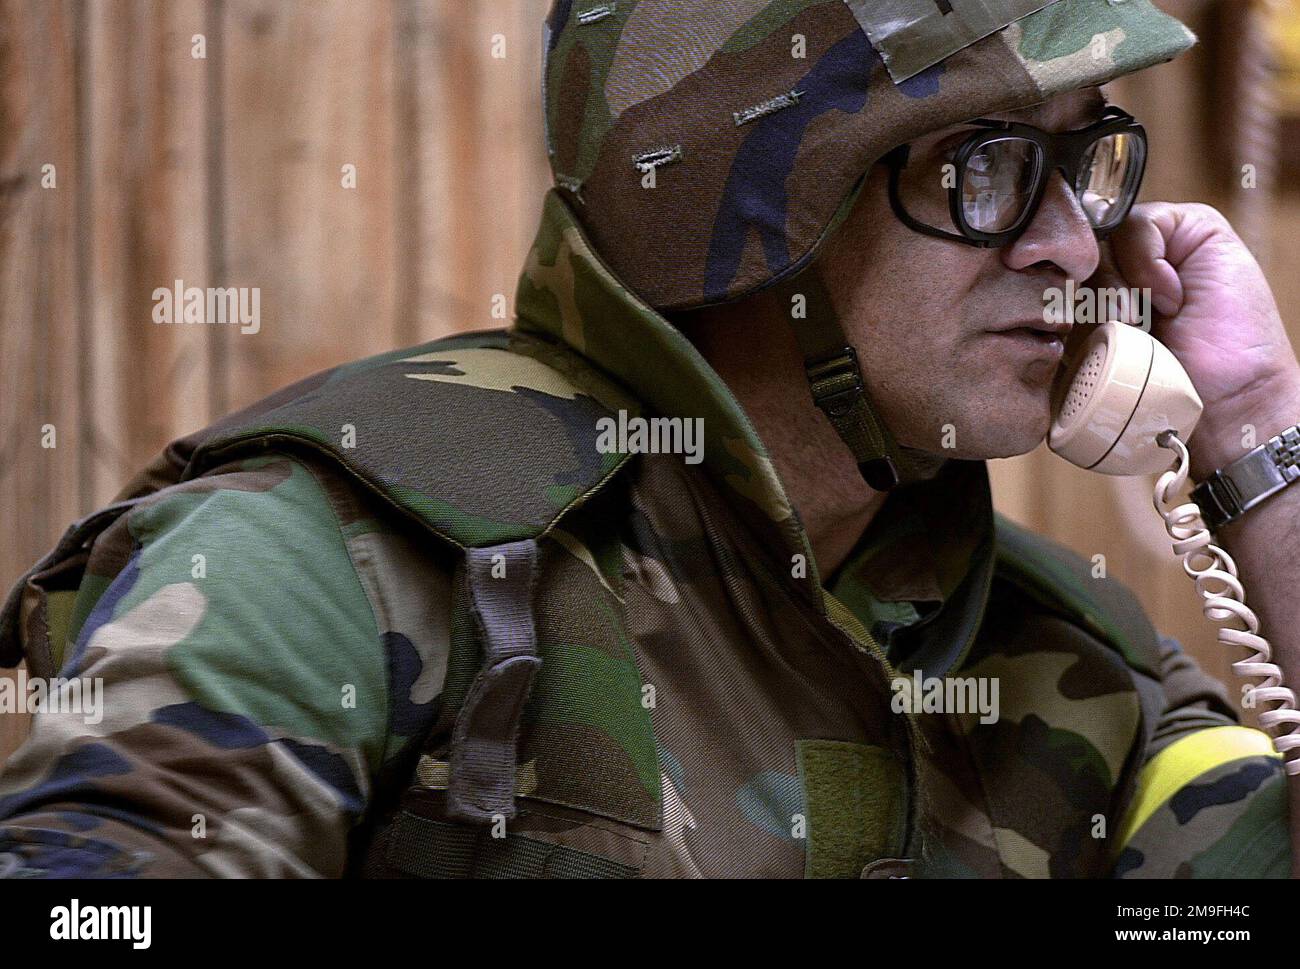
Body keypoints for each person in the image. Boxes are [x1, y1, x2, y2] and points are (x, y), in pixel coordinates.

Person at [1, 0, 1296, 878]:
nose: (1075, 245)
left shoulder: (1075, 659)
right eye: (986, 167)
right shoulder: (344, 552)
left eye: (1087, 165)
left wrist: (1262, 445)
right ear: (752, 203)